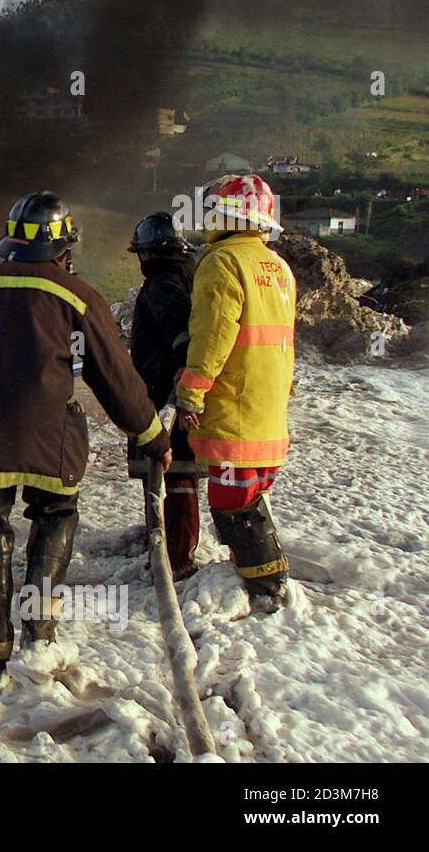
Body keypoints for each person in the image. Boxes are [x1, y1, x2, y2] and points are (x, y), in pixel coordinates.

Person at [0, 192, 172, 681]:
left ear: (10, 246)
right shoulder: (77, 296)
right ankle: (40, 635)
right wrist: (152, 436)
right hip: (53, 441)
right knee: (56, 515)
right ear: (64, 250)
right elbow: (117, 381)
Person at [175, 175, 296, 612]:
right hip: (268, 410)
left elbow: (212, 336)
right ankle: (255, 579)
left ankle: (267, 585)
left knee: (231, 502)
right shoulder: (277, 266)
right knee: (249, 495)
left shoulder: (222, 262)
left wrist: (192, 390)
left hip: (234, 409)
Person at [126, 212, 203, 580]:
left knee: (173, 473)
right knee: (172, 471)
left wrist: (180, 396)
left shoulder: (165, 282)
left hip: (167, 395)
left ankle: (175, 558)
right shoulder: (191, 274)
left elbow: (182, 338)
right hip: (180, 393)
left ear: (152, 253)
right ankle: (166, 542)